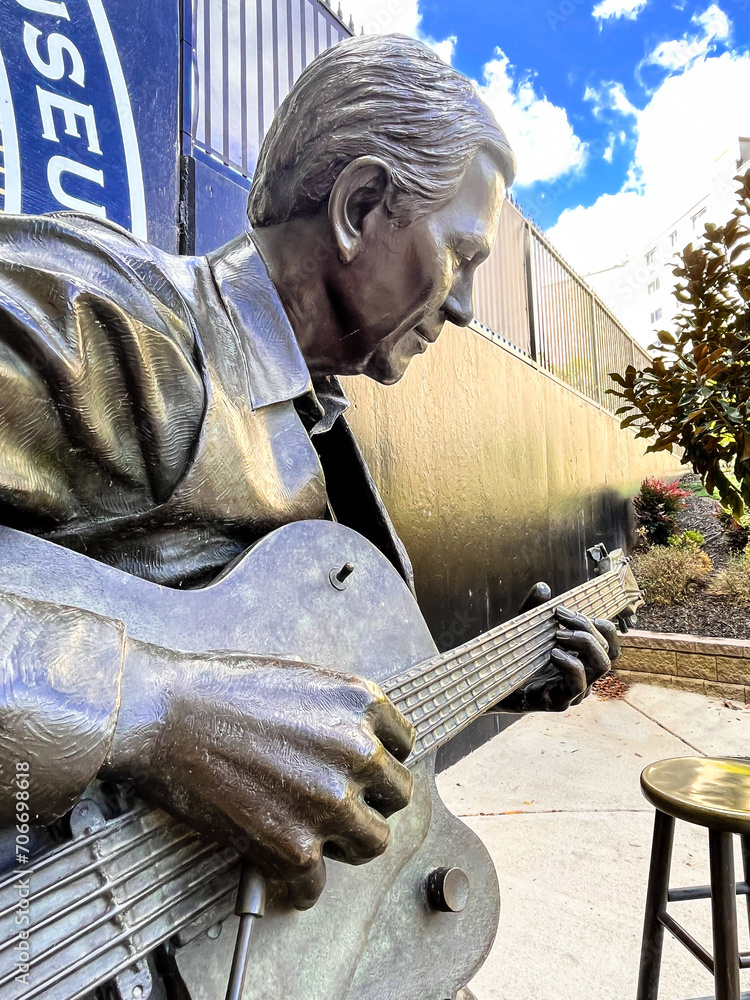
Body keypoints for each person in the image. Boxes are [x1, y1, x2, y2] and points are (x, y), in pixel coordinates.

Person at [0, 30, 615, 968]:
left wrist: (505, 682)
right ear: (362, 205)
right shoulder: (117, 320)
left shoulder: (317, 423)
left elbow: (311, 715)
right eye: (461, 256)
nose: (463, 310)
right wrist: (157, 711)